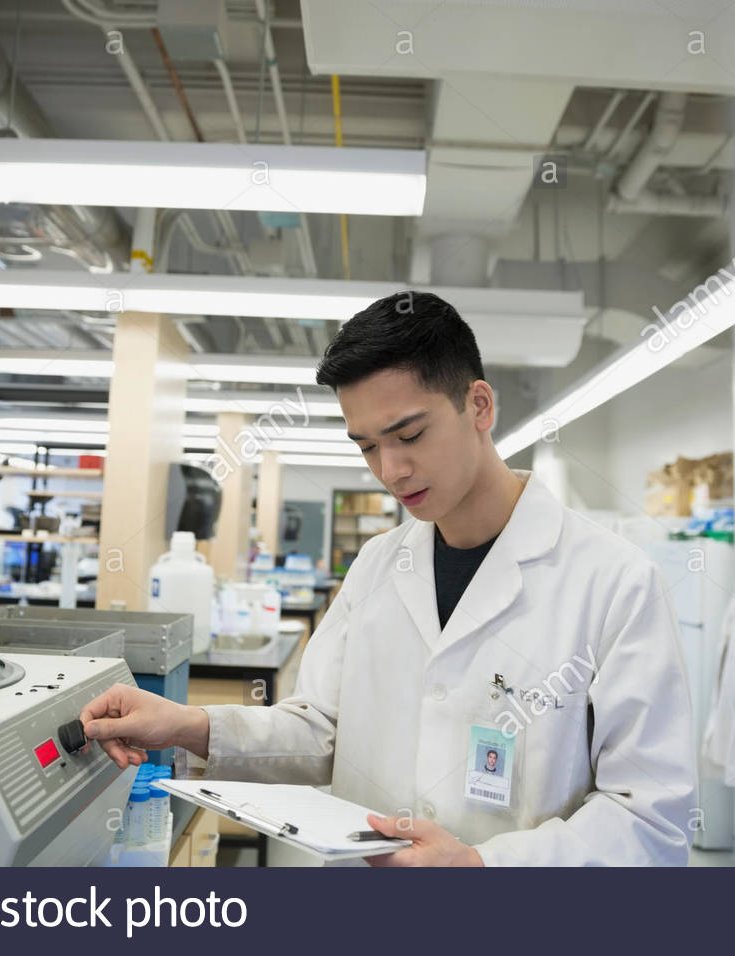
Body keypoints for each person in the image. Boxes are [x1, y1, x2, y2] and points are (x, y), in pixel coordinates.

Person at [80, 291, 697, 866]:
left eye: (409, 434)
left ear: (478, 406)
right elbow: (321, 731)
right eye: (367, 447)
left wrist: (486, 866)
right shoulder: (377, 566)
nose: (391, 470)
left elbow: (651, 817)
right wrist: (184, 724)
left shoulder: (613, 584)